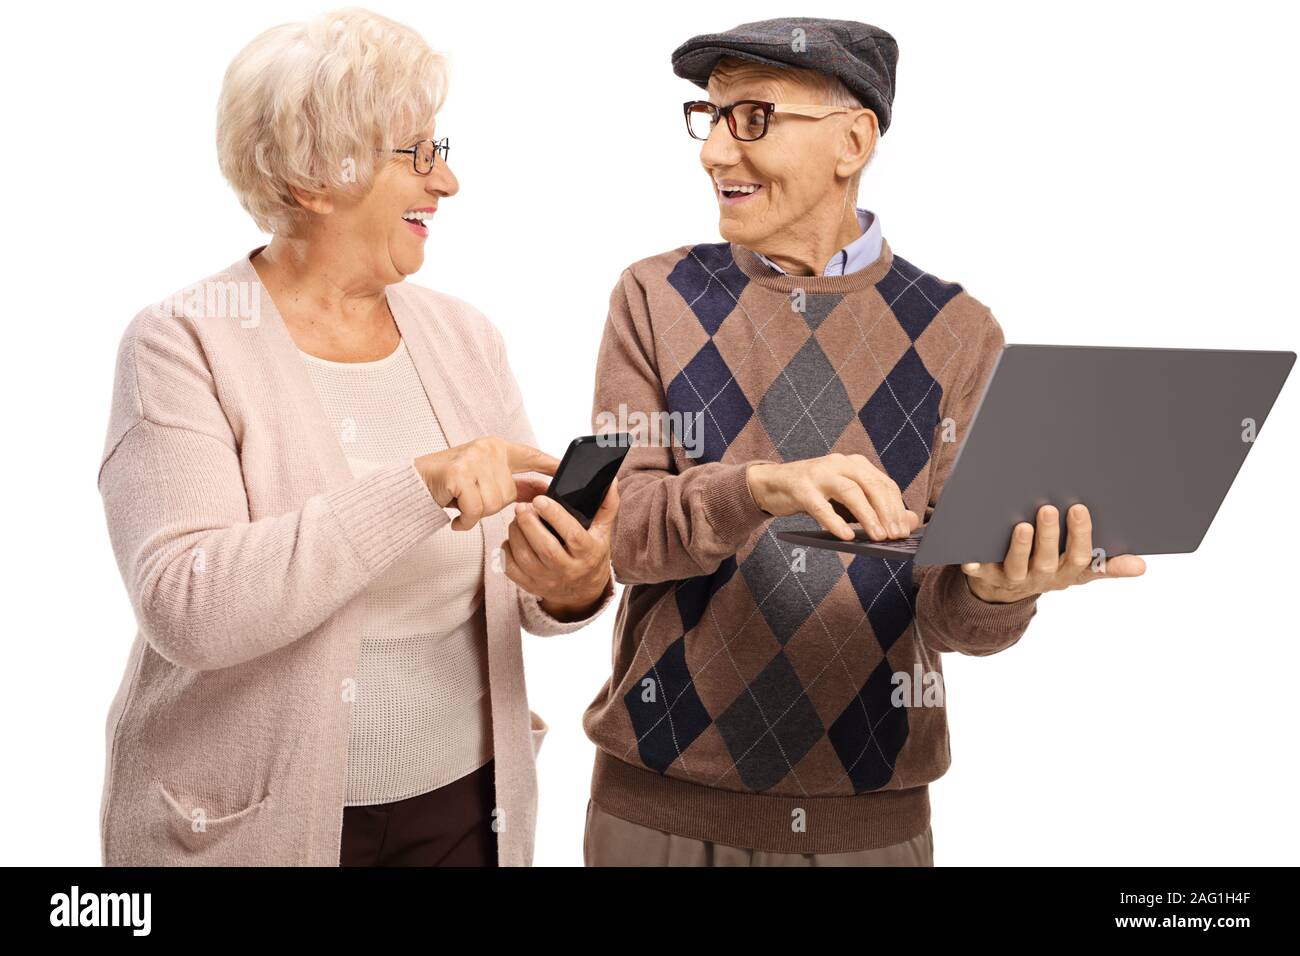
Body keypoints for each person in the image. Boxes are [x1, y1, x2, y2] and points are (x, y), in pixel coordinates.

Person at [581, 17, 1144, 866]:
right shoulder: (655, 295)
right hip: (653, 812)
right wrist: (761, 487)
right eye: (711, 116)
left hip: (867, 826)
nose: (714, 152)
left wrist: (1001, 591)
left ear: (854, 140)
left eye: (754, 117)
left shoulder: (958, 331)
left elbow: (953, 617)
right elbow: (621, 536)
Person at [96, 7, 615, 867]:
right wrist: (419, 488)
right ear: (313, 175)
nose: (446, 184)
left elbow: (520, 590)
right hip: (258, 827)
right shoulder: (182, 341)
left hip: (464, 813)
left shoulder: (463, 336)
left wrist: (570, 581)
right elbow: (187, 606)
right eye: (417, 154)